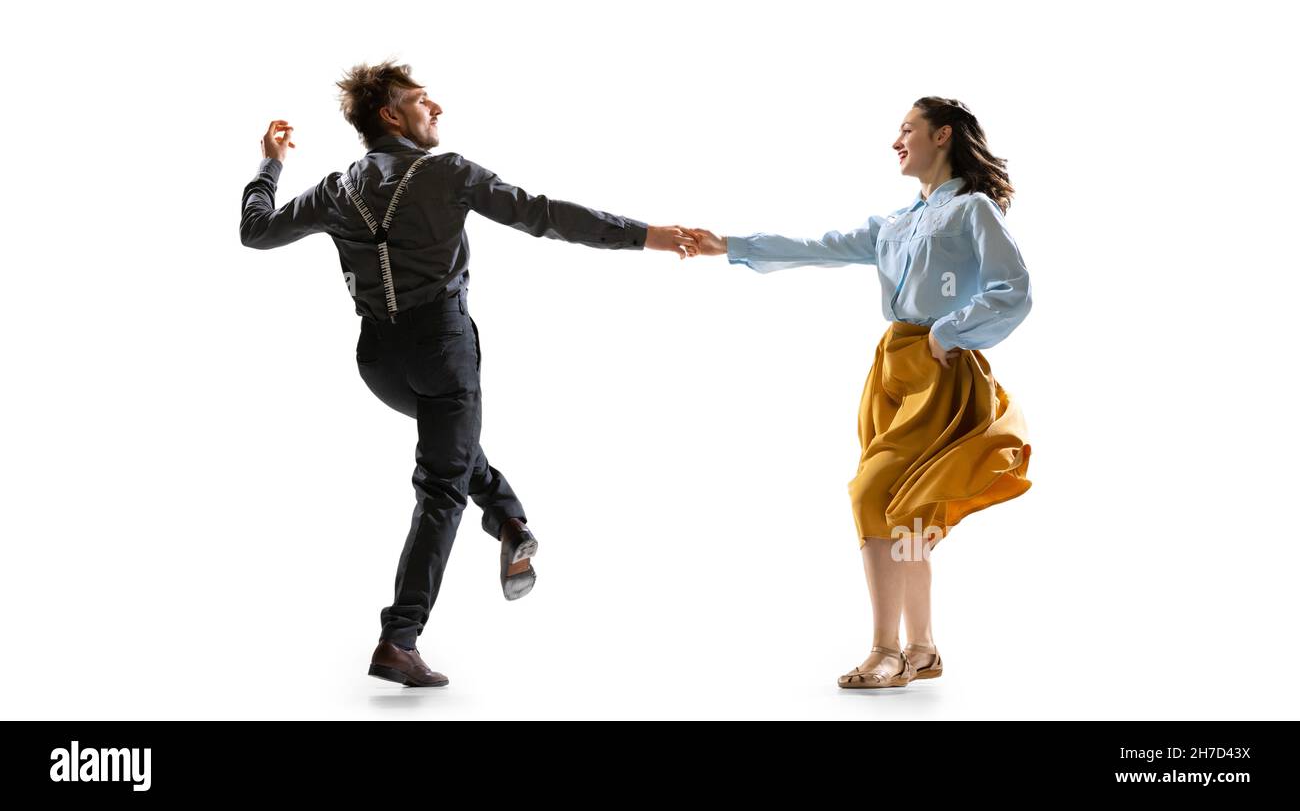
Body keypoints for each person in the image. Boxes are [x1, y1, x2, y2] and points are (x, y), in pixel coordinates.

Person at [239, 59, 700, 687]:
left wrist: (271, 163)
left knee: (450, 451)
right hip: (442, 348)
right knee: (441, 484)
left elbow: (255, 231)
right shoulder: (447, 172)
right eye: (424, 101)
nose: (438, 110)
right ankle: (398, 640)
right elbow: (543, 215)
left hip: (377, 363)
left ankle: (509, 520)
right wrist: (648, 235)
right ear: (390, 114)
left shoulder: (333, 190)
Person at [684, 97, 1032, 689]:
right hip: (892, 368)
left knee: (873, 492)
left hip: (939, 371)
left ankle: (885, 650)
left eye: (907, 129)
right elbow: (817, 246)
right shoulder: (894, 224)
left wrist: (950, 331)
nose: (897, 141)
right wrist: (729, 245)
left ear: (942, 136)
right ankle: (922, 648)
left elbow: (1013, 288)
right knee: (906, 507)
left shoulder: (972, 211)